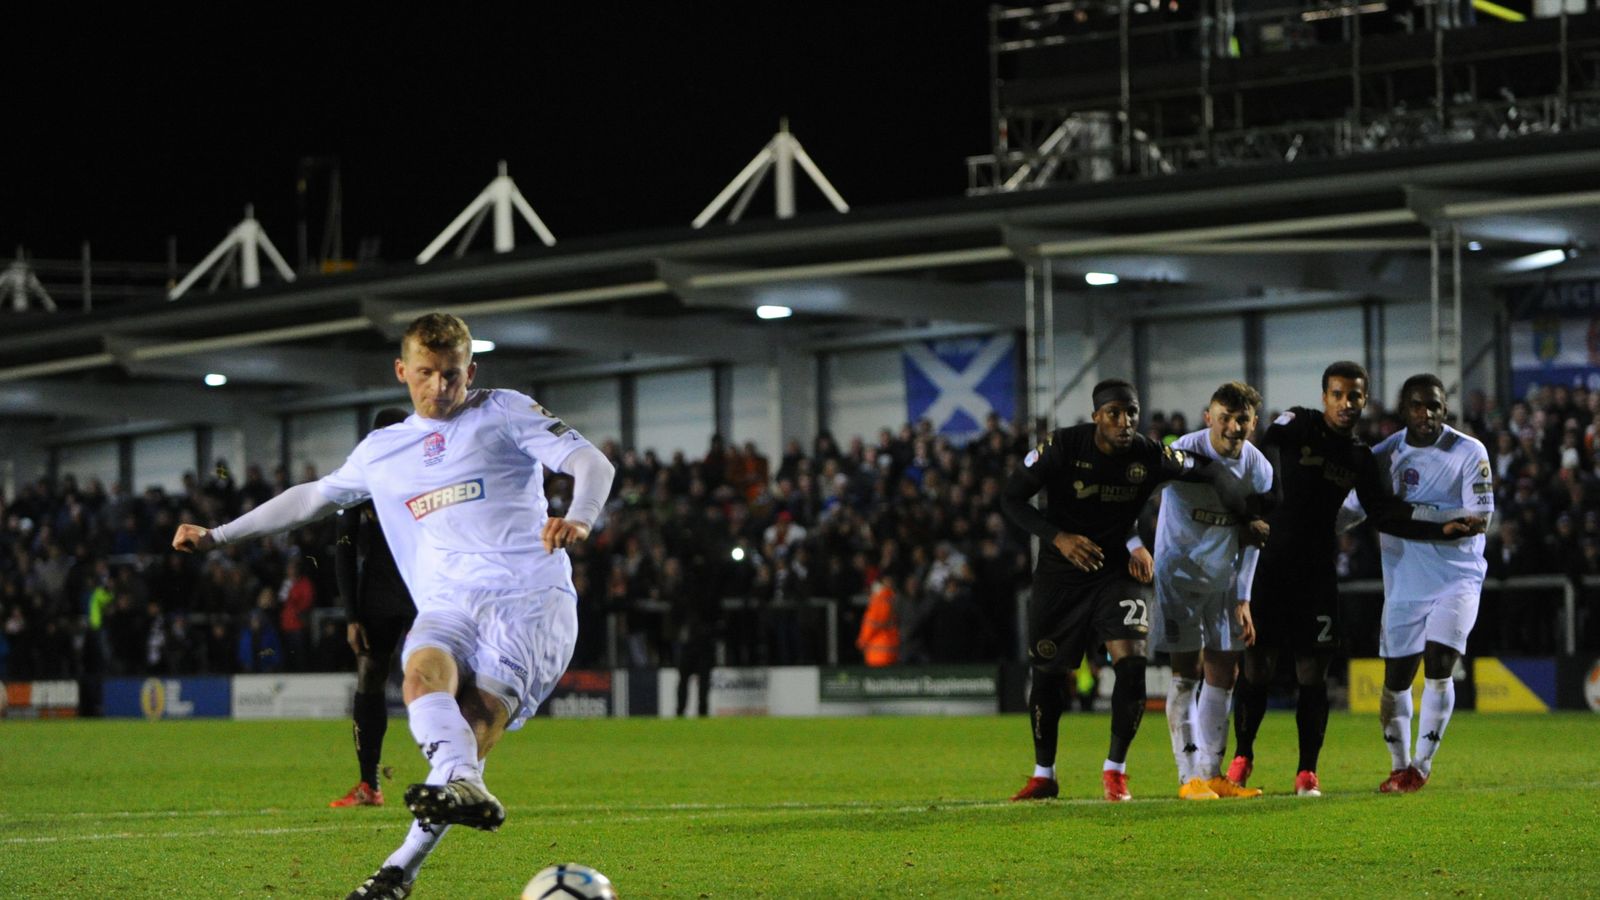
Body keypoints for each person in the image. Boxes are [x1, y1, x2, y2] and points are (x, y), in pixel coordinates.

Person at [172, 313, 615, 900]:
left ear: (471, 371)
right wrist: (218, 536)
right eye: (426, 373)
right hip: (449, 602)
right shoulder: (383, 450)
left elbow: (593, 463)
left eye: (452, 374)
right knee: (419, 674)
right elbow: (312, 497)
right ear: (402, 371)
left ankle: (401, 867)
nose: (440, 387)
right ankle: (432, 827)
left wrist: (579, 516)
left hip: (528, 599)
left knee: (473, 728)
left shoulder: (504, 410)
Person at [1002, 379, 1265, 803]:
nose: (1124, 422)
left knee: (1132, 662)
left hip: (1116, 571)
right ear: (1096, 416)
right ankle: (1044, 774)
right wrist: (1059, 538)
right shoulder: (1063, 447)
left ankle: (1116, 771)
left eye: (1131, 414)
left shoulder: (1150, 454)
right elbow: (1011, 498)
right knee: (1048, 674)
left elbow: (1210, 469)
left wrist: (1248, 516)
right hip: (1061, 571)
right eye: (1114, 413)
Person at [1228, 361, 1484, 798]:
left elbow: (1383, 514)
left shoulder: (1361, 458)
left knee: (1313, 674)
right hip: (1269, 567)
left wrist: (1438, 529)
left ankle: (1307, 771)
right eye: (1338, 394)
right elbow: (1265, 447)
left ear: (1365, 400)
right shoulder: (1297, 423)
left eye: (1355, 396)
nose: (1346, 403)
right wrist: (1261, 504)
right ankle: (1243, 755)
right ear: (1324, 396)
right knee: (1257, 668)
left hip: (1316, 574)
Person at [1342, 374, 1493, 794]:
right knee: (1396, 680)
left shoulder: (1469, 451)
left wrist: (1404, 515)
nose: (1426, 414)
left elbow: (1479, 520)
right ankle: (1399, 765)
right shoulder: (1383, 457)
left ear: (1445, 409)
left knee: (1440, 662)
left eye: (1435, 406)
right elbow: (1353, 510)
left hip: (1458, 576)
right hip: (1404, 582)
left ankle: (1421, 766)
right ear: (1403, 409)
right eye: (1417, 405)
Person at [1142, 381, 1271, 800]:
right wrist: (1132, 543)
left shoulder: (1259, 468)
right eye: (1224, 418)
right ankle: (1188, 778)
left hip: (1225, 581)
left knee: (1225, 673)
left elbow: (1256, 536)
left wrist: (1244, 596)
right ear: (1208, 418)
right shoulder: (1182, 453)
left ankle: (1212, 773)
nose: (1233, 427)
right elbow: (1138, 492)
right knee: (1186, 674)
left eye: (1241, 420)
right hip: (1179, 578)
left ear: (1253, 422)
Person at [329, 407, 416, 809]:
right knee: (369, 674)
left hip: (423, 589)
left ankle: (457, 776)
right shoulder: (362, 479)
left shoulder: (429, 473)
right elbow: (344, 549)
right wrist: (351, 616)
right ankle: (369, 784)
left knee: (439, 677)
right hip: (378, 594)